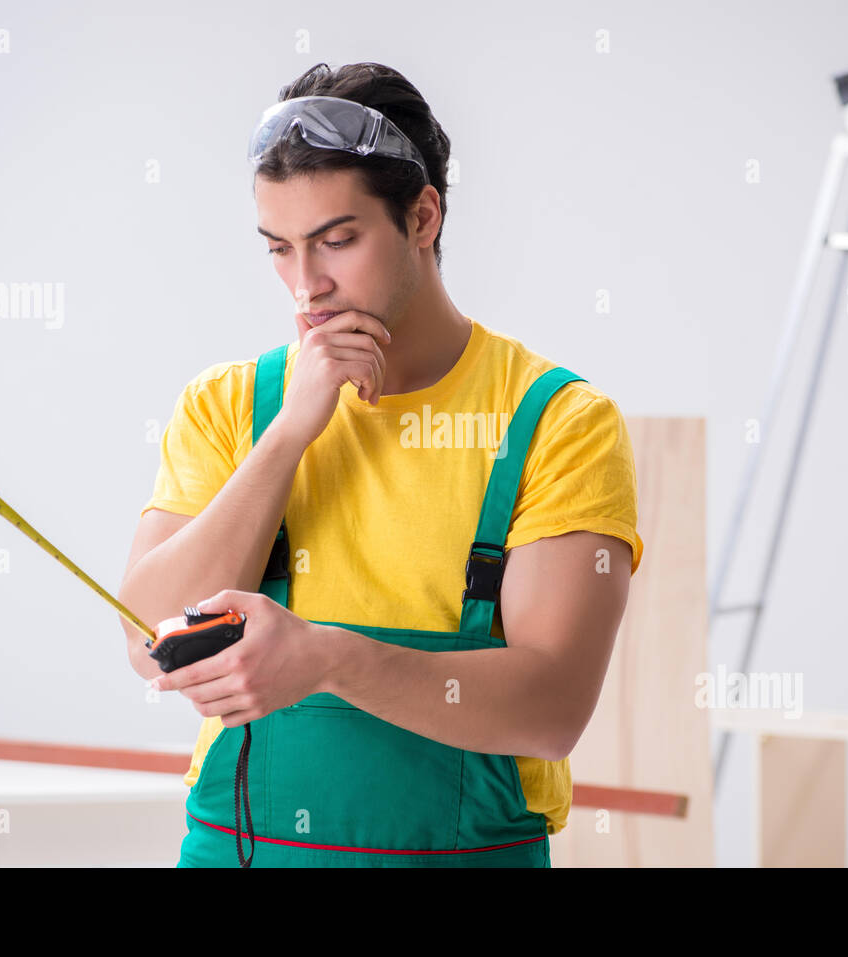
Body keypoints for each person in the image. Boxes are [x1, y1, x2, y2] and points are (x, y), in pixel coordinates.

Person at [118, 61, 644, 867]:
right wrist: (291, 432)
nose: (307, 286)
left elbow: (551, 707)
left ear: (423, 215)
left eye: (337, 240)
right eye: (280, 249)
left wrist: (327, 658)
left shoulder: (555, 423)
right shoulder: (230, 407)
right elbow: (150, 633)